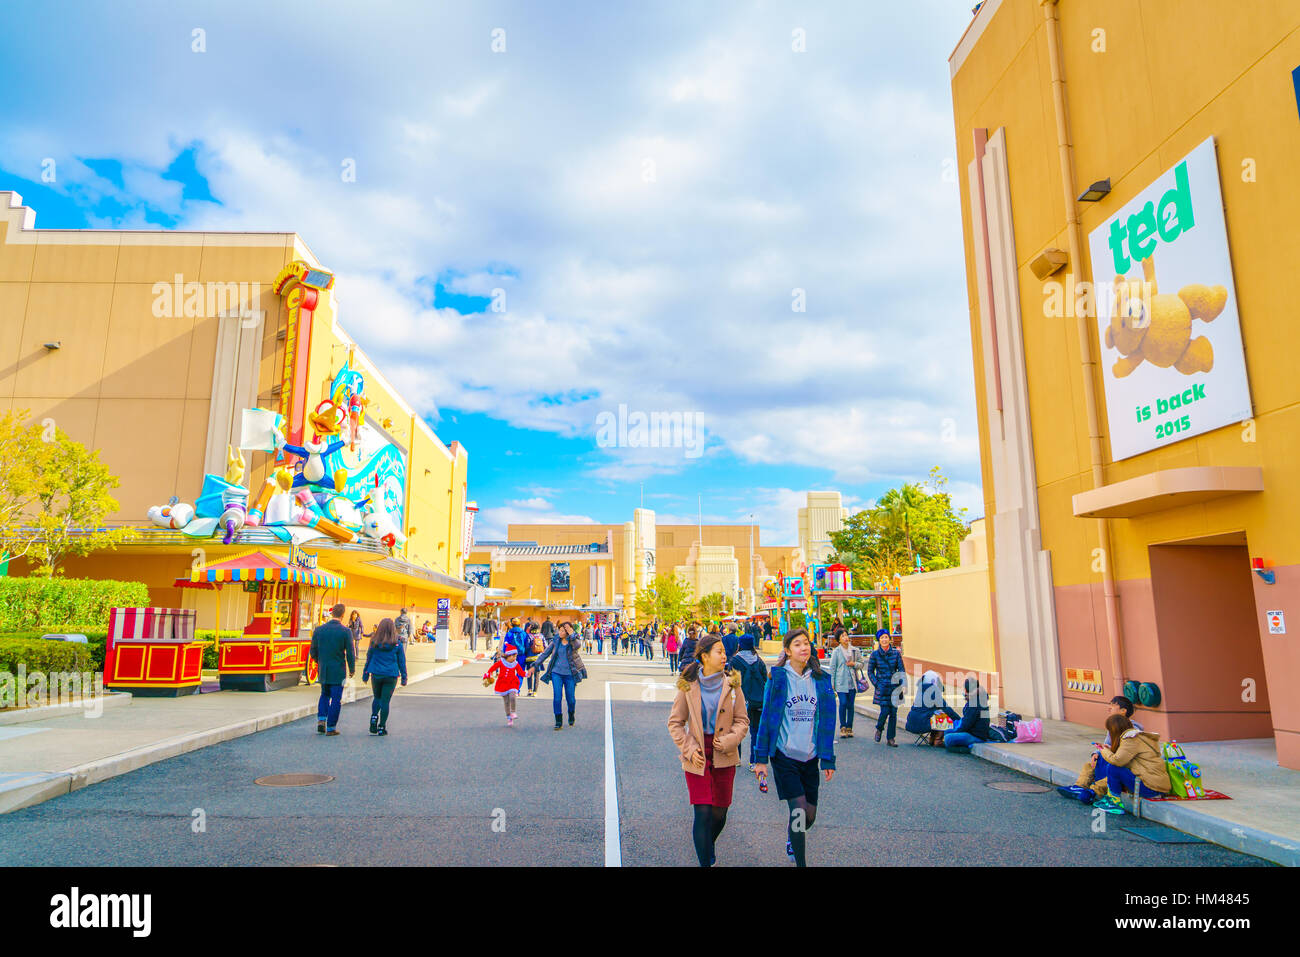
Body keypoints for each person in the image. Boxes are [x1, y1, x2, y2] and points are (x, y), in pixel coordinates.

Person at [752, 629, 836, 867]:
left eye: (806, 643)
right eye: (797, 644)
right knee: (798, 811)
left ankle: (793, 835)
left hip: (810, 756)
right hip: (785, 755)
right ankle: (800, 862)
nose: (804, 648)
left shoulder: (821, 680)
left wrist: (828, 760)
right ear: (787, 651)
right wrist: (760, 759)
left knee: (808, 816)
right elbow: (767, 718)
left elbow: (828, 721)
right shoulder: (778, 679)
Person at [667, 634, 749, 867]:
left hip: (724, 752)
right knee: (702, 812)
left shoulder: (733, 684)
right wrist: (689, 748)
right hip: (698, 754)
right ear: (704, 656)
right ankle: (705, 861)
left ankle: (706, 845)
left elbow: (742, 720)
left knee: (719, 814)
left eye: (724, 652)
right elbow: (675, 723)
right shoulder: (688, 685)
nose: (724, 656)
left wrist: (732, 740)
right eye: (719, 651)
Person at [1092, 713, 1172, 809]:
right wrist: (1109, 749)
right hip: (1157, 786)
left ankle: (1114, 802)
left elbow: (1117, 760)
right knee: (1115, 767)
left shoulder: (1130, 739)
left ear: (1114, 729)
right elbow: (1126, 755)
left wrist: (1103, 750)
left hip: (1151, 788)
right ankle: (1111, 798)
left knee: (1113, 768)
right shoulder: (1138, 737)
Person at [1074, 695, 1145, 793]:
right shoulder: (1113, 725)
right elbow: (1106, 744)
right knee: (1089, 765)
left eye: (1112, 706)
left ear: (1123, 711)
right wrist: (1096, 753)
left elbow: (1126, 752)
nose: (1109, 708)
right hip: (1113, 758)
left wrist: (1109, 749)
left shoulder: (1133, 729)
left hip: (1123, 763)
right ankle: (1079, 787)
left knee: (1113, 771)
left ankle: (1093, 791)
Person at [309, 603, 356, 736]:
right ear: (343, 615)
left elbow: (313, 650)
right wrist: (352, 669)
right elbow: (350, 652)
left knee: (324, 694)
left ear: (332, 613)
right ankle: (331, 727)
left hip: (324, 668)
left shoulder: (319, 630)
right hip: (338, 670)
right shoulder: (346, 631)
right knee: (336, 698)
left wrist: (320, 661)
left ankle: (321, 719)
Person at [533, 621, 587, 729]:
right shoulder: (556, 640)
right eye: (559, 630)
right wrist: (535, 665)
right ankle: (558, 721)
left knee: (570, 698)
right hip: (556, 673)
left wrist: (572, 634)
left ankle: (571, 714)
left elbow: (577, 645)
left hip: (570, 674)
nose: (559, 632)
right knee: (557, 697)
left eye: (562, 630)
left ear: (567, 631)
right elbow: (546, 653)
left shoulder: (573, 640)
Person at [728, 632, 769, 768]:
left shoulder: (735, 661)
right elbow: (765, 680)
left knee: (736, 729)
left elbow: (731, 682)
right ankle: (754, 761)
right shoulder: (758, 660)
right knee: (755, 731)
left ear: (740, 645)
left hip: (739, 701)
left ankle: (736, 758)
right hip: (758, 700)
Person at [362, 617, 407, 735]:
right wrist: (404, 677)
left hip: (376, 673)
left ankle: (373, 717)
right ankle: (382, 727)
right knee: (385, 701)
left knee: (377, 697)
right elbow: (401, 661)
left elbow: (369, 657)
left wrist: (365, 674)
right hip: (391, 675)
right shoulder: (397, 643)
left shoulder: (374, 641)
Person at [866, 629, 905, 747]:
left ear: (889, 639)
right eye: (882, 638)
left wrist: (901, 682)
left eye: (886, 637)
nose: (884, 640)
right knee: (885, 711)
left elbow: (901, 669)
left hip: (894, 687)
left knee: (893, 712)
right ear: (879, 640)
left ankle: (891, 738)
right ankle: (879, 728)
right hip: (882, 687)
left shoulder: (896, 653)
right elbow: (870, 671)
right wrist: (877, 684)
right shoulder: (875, 655)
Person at [904, 670, 961, 746]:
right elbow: (947, 709)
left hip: (911, 723)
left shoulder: (920, 690)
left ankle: (932, 739)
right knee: (944, 716)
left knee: (935, 713)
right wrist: (959, 720)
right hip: (921, 723)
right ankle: (938, 740)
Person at [943, 676, 992, 751]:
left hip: (976, 736)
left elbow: (966, 724)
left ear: (967, 690)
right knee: (947, 731)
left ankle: (963, 749)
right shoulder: (978, 699)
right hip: (976, 733)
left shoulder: (974, 704)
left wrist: (956, 732)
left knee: (948, 738)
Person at [485, 644, 527, 727]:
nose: (514, 658)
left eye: (515, 656)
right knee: (506, 702)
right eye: (513, 656)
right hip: (503, 683)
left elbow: (520, 672)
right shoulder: (501, 662)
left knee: (512, 696)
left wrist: (526, 674)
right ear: (508, 656)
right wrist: (488, 674)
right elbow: (493, 668)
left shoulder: (515, 664)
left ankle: (513, 711)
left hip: (512, 683)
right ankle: (509, 717)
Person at [829, 631, 859, 738]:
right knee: (843, 703)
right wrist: (832, 683)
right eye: (843, 636)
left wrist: (854, 664)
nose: (846, 637)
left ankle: (849, 727)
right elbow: (833, 668)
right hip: (840, 682)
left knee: (850, 705)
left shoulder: (855, 650)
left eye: (846, 635)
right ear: (839, 640)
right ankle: (843, 727)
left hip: (852, 682)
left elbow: (862, 663)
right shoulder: (836, 652)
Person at [523, 622, 543, 696]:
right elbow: (545, 646)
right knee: (537, 675)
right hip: (539, 659)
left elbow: (527, 647)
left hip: (529, 658)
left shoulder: (529, 636)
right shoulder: (541, 636)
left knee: (529, 674)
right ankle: (535, 692)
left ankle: (529, 690)